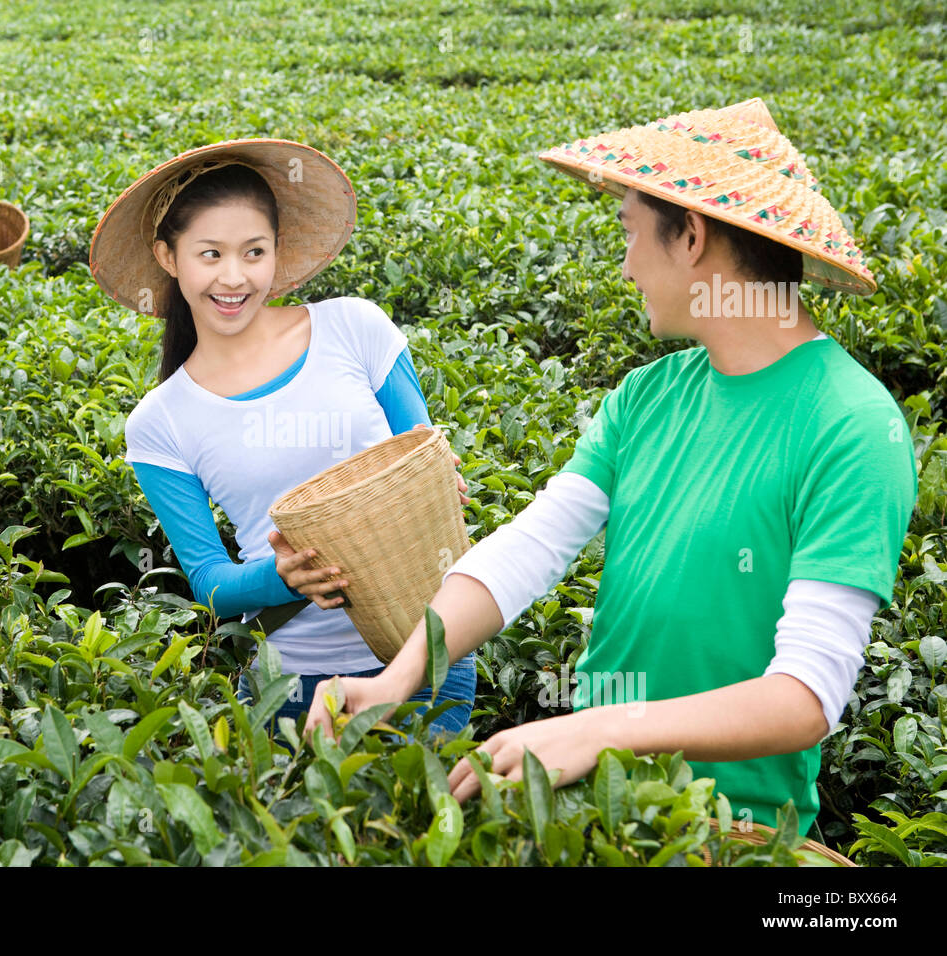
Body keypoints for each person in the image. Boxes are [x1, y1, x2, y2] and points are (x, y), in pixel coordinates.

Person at [306, 99, 917, 837]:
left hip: (732, 830)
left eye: (629, 234)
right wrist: (397, 678)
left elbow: (804, 697)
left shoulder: (852, 426)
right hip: (603, 805)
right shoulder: (650, 396)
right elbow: (533, 546)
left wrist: (600, 729)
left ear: (690, 236)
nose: (625, 267)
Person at [88, 139, 477, 735]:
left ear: (278, 251)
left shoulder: (356, 328)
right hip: (295, 685)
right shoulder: (160, 421)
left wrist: (441, 484)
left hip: (427, 656)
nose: (234, 277)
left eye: (254, 252)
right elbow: (213, 586)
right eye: (210, 254)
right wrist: (283, 576)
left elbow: (423, 457)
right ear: (169, 258)